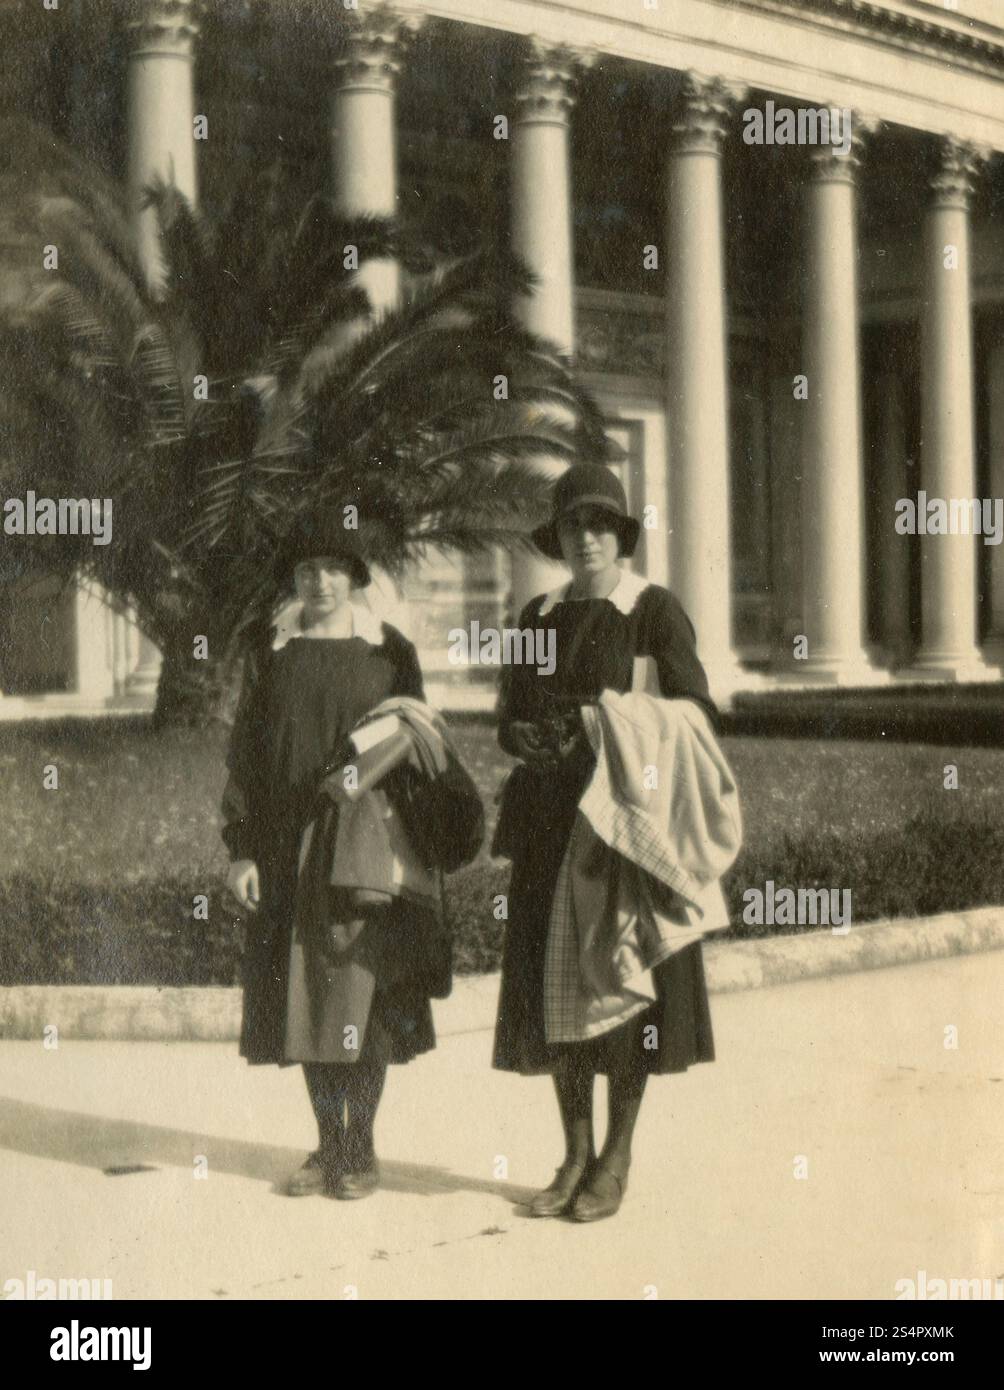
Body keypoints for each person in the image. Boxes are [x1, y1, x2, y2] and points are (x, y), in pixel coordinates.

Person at [492, 463, 721, 1222]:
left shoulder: (650, 611)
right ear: (556, 537)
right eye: (571, 526)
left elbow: (694, 714)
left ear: (620, 536)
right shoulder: (538, 616)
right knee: (556, 990)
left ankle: (617, 1155)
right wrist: (523, 732)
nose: (585, 538)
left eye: (599, 526)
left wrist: (599, 723)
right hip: (549, 823)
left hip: (623, 824)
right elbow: (510, 711)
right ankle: (574, 1152)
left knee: (621, 989)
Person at [221, 516, 446, 1200]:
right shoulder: (272, 649)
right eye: (306, 570)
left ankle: (363, 1147)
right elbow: (246, 758)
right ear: (294, 580)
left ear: (354, 577)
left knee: (364, 994)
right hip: (290, 846)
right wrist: (243, 851)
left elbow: (414, 740)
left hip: (366, 848)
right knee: (305, 996)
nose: (319, 581)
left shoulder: (389, 650)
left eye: (332, 568)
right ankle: (326, 1146)